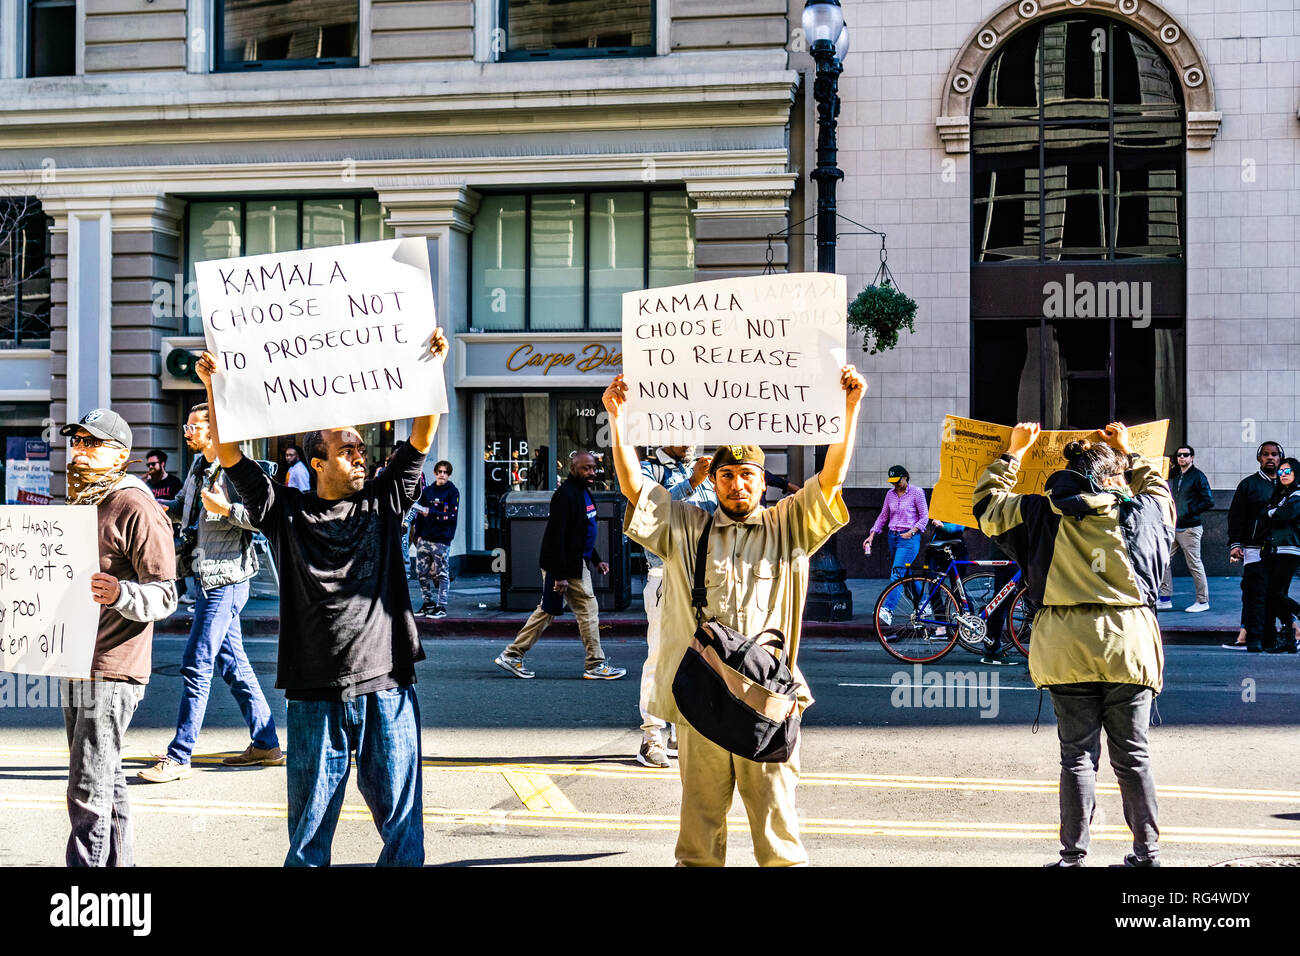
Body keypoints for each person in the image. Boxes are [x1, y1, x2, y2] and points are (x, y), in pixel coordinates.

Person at [195, 332, 448, 868]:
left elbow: (423, 433)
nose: (361, 457)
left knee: (404, 831)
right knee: (308, 840)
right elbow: (231, 451)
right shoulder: (282, 509)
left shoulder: (386, 500)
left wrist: (430, 368)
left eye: (361, 449)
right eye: (347, 450)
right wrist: (216, 388)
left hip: (388, 683)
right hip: (313, 691)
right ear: (316, 461)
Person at [609, 366, 865, 867]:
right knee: (698, 842)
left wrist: (849, 408)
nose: (736, 484)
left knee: (779, 841)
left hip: (768, 703)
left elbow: (831, 477)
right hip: (702, 700)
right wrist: (618, 420)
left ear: (762, 480)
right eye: (726, 474)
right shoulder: (687, 524)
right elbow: (635, 487)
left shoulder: (787, 523)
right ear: (715, 480)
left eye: (747, 474)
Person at [974, 421, 1174, 867]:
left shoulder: (1039, 512)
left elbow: (987, 505)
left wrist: (1014, 453)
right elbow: (1162, 495)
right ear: (1112, 477)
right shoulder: (1140, 511)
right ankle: (1148, 854)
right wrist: (1130, 453)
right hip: (1129, 646)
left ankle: (1072, 857)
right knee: (1133, 756)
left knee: (1077, 758)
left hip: (1065, 647)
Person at [137, 402, 283, 784]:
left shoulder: (237, 473)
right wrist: (149, 503)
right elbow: (182, 510)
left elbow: (266, 520)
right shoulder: (200, 468)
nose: (188, 431)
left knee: (196, 662)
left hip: (227, 581)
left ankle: (180, 755)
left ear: (215, 430)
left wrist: (227, 507)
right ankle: (266, 742)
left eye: (195, 425)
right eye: (186, 425)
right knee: (233, 665)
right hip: (204, 576)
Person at [60, 408, 178, 866]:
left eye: (92, 443)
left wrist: (120, 593)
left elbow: (165, 593)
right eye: (77, 442)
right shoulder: (84, 501)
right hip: (75, 659)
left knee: (87, 786)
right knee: (105, 780)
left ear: (122, 455)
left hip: (112, 666)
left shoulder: (134, 504)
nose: (80, 451)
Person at [494, 452, 625, 680]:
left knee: (547, 611)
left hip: (573, 563)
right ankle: (595, 665)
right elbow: (557, 537)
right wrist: (559, 575)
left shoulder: (583, 492)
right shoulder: (565, 495)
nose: (592, 472)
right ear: (573, 469)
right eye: (586, 468)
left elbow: (582, 532)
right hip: (566, 566)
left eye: (594, 468)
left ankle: (512, 655)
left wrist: (596, 559)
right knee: (587, 610)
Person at [634, 445, 717, 769]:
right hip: (666, 574)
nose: (686, 438)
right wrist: (691, 483)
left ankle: (682, 730)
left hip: (705, 578)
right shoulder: (649, 469)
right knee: (660, 656)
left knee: (699, 658)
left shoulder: (707, 470)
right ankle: (651, 736)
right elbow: (649, 511)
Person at [1228, 441, 1282, 652]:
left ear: (1280, 458)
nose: (1270, 458)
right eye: (1266, 454)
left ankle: (1271, 637)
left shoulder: (1287, 484)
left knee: (1275, 594)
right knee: (1254, 593)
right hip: (1254, 547)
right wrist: (1235, 543)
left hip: (1280, 549)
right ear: (1259, 458)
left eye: (1275, 454)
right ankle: (1254, 639)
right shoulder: (1249, 484)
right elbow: (1236, 516)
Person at [865, 464, 928, 625]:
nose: (895, 484)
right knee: (905, 573)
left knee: (897, 573)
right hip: (892, 537)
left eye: (898, 481)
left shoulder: (917, 493)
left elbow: (924, 517)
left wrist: (912, 532)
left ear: (905, 477)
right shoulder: (890, 494)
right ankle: (923, 604)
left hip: (909, 539)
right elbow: (883, 516)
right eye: (892, 482)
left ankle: (887, 610)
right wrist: (872, 535)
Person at [1158, 445, 1213, 613]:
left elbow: (1208, 501)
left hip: (1190, 528)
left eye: (1185, 455)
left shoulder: (1198, 476)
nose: (1182, 457)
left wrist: (1188, 510)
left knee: (1194, 564)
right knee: (1163, 561)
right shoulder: (1176, 476)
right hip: (1174, 526)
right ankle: (1165, 598)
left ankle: (1203, 601)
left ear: (1192, 457)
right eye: (1179, 455)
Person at [411, 460, 459, 619]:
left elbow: (451, 516)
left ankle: (441, 606)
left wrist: (430, 512)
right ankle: (428, 602)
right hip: (424, 538)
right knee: (421, 572)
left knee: (442, 573)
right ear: (435, 473)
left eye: (445, 472)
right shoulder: (428, 491)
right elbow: (419, 515)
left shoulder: (452, 492)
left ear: (449, 474)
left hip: (441, 539)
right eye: (439, 472)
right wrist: (417, 536)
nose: (442, 475)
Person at [1262, 457, 1300, 654]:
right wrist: (1273, 512)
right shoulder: (1282, 494)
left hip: (1291, 548)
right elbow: (1268, 513)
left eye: (1288, 471)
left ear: (1296, 473)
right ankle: (1289, 640)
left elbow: (1285, 515)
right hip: (1277, 548)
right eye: (1281, 472)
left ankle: (1296, 616)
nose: (1283, 475)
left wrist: (1272, 512)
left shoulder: (1297, 494)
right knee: (1277, 595)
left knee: (1274, 593)